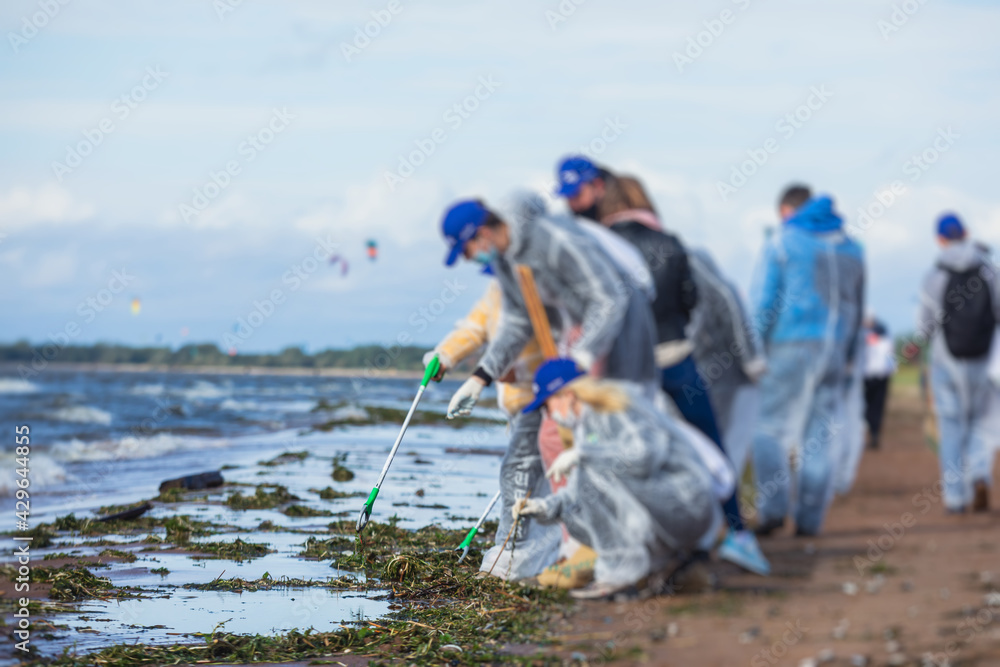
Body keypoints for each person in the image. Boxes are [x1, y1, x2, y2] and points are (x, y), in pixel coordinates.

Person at [554, 155, 770, 576]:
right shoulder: (672, 242)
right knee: (709, 450)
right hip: (678, 359)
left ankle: (627, 548)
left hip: (625, 369)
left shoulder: (598, 248)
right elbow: (697, 298)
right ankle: (735, 533)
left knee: (623, 453)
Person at [438, 192, 658, 577]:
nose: (470, 259)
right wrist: (481, 376)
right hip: (575, 347)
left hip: (621, 340)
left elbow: (609, 298)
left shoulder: (552, 239)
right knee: (542, 446)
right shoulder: (508, 261)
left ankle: (626, 549)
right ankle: (557, 552)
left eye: (467, 249)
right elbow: (518, 322)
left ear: (482, 232)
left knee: (605, 440)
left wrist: (583, 358)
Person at [512, 358, 717, 599]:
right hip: (664, 504)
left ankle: (621, 576)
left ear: (567, 395)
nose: (549, 415)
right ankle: (664, 567)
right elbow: (579, 489)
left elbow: (645, 455)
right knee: (571, 510)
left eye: (547, 406)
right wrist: (542, 507)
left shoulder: (617, 406)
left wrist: (582, 454)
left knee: (592, 470)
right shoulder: (586, 425)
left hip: (686, 501)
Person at [422, 280, 563, 580]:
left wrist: (509, 371)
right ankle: (548, 550)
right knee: (538, 475)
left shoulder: (538, 286)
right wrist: (444, 356)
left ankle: (510, 555)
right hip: (516, 404)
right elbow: (473, 329)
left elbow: (542, 341)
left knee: (518, 471)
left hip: (544, 396)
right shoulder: (498, 292)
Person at [751, 185, 865, 537]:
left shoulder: (783, 242)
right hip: (834, 348)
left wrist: (752, 352)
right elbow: (858, 308)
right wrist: (848, 357)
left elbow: (763, 303)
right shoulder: (852, 249)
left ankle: (772, 510)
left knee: (767, 428)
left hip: (788, 345)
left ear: (786, 210)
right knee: (819, 437)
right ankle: (809, 520)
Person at [917, 213, 1000, 513]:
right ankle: (979, 473)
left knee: (951, 428)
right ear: (965, 232)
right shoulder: (990, 269)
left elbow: (925, 326)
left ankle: (955, 497)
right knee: (981, 423)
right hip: (985, 361)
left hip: (946, 362)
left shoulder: (935, 274)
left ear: (939, 238)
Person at [863, 316, 896, 450]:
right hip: (878, 376)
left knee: (871, 407)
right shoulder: (885, 338)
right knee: (874, 407)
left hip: (872, 376)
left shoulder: (868, 337)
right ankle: (872, 434)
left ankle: (874, 435)